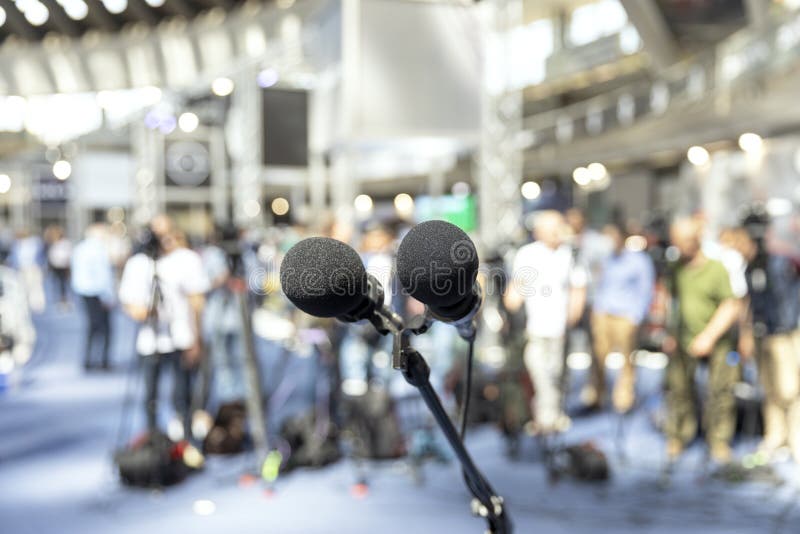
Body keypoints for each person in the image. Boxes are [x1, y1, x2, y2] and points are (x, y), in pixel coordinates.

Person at [119, 216, 209, 441]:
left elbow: (197, 301)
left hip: (182, 338)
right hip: (151, 341)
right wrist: (146, 311)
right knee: (151, 396)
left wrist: (197, 338)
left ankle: (187, 440)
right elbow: (129, 303)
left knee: (184, 395)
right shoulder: (138, 264)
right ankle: (153, 440)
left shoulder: (187, 260)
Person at [663, 217, 743, 463]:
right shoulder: (675, 268)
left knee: (720, 392)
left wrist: (709, 336)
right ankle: (678, 434)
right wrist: (670, 333)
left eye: (682, 242)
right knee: (678, 388)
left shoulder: (716, 268)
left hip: (717, 341)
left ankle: (719, 440)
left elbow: (731, 305)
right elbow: (672, 301)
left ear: (695, 240)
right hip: (683, 337)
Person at [506, 210, 587, 433]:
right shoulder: (528, 254)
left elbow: (578, 287)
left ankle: (551, 415)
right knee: (539, 371)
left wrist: (573, 315)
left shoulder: (570, 254)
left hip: (559, 326)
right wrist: (510, 302)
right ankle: (546, 416)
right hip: (535, 326)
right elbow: (518, 286)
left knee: (556, 373)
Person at [736, 228, 800, 462]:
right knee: (769, 389)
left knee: (790, 389)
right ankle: (775, 436)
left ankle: (795, 438)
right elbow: (751, 303)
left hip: (784, 334)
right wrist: (747, 333)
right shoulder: (749, 268)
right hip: (763, 335)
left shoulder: (780, 263)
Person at [588, 222, 655, 413]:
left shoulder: (639, 260)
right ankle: (596, 395)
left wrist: (636, 315)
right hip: (604, 313)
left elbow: (645, 289)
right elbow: (598, 285)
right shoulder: (604, 259)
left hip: (626, 315)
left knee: (626, 359)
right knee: (598, 357)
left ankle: (624, 399)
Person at [71, 224, 116, 370]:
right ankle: (103, 361)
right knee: (105, 329)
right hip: (98, 292)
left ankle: (89, 360)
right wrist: (108, 296)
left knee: (92, 327)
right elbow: (104, 275)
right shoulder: (99, 250)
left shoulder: (79, 248)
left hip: (84, 292)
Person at [45, 225, 72, 309]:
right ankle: (59, 299)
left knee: (63, 283)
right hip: (55, 266)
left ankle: (64, 299)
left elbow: (68, 253)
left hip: (64, 266)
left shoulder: (65, 242)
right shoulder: (52, 243)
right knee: (56, 283)